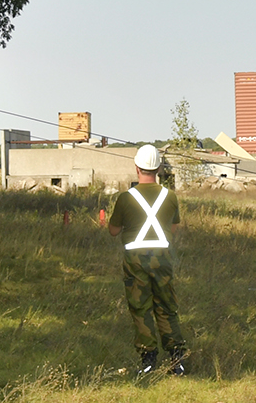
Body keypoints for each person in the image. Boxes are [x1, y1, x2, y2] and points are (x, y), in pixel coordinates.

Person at [108, 144, 188, 376]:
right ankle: (176, 359)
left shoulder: (126, 198)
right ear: (160, 168)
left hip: (135, 258)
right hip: (163, 257)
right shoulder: (170, 196)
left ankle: (148, 359)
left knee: (140, 307)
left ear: (137, 168)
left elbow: (113, 231)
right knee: (167, 306)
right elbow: (172, 228)